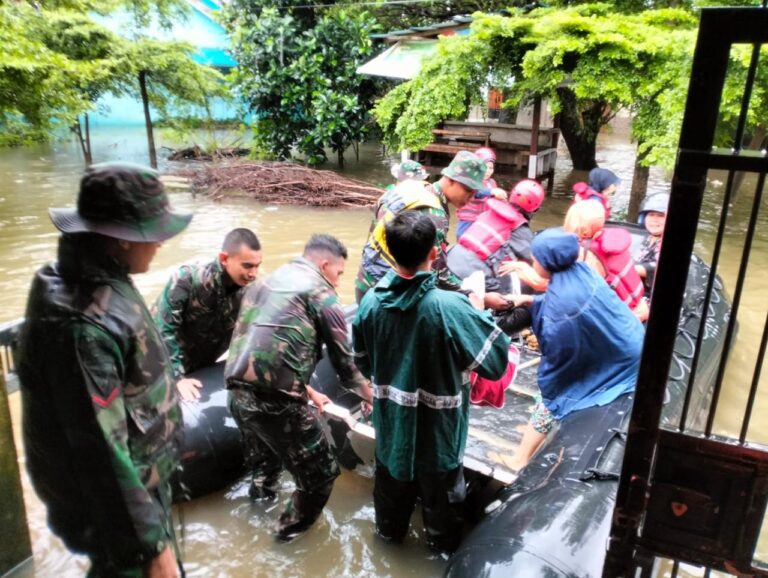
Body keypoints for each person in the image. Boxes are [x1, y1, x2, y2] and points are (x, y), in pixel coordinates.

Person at [16, 162, 192, 577]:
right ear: (121, 240)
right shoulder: (82, 328)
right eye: (154, 234)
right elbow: (98, 452)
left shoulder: (99, 276)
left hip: (135, 502)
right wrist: (151, 547)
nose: (161, 244)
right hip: (117, 520)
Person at [353, 212, 510, 553]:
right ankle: (440, 552)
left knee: (389, 520)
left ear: (391, 253)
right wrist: (479, 309)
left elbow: (363, 363)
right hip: (438, 439)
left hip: (392, 434)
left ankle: (389, 546)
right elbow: (496, 363)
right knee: (443, 527)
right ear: (435, 253)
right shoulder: (450, 307)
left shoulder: (370, 302)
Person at [225, 234, 372, 541]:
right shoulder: (321, 292)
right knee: (320, 477)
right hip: (277, 404)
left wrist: (308, 390)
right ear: (325, 264)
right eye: (340, 273)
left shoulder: (263, 284)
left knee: (266, 465)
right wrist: (373, 395)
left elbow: (263, 347)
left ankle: (254, 518)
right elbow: (345, 366)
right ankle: (283, 539)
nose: (338, 281)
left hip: (237, 396)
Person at [507, 229, 643, 469]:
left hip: (618, 359)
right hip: (627, 342)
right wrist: (532, 301)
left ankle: (521, 458)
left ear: (548, 262)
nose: (533, 261)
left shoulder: (561, 312)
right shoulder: (581, 271)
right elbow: (567, 302)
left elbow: (558, 363)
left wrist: (549, 390)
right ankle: (539, 430)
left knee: (553, 395)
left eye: (536, 258)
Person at [356, 150, 509, 310]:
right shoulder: (434, 215)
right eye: (468, 191)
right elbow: (439, 275)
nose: (470, 198)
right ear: (450, 181)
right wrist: (475, 295)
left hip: (365, 280)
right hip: (384, 293)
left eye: (475, 193)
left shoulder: (412, 189)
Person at [153, 228, 263, 401]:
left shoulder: (250, 293)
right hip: (161, 364)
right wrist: (177, 377)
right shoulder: (188, 278)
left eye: (257, 266)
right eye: (247, 266)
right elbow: (163, 329)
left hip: (203, 365)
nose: (253, 274)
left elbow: (255, 336)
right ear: (224, 259)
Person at [448, 179, 547, 334]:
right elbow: (539, 265)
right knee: (530, 302)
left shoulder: (489, 212)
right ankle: (491, 331)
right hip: (474, 278)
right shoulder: (521, 230)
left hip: (450, 265)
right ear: (535, 210)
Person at [563, 200, 649, 322]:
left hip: (618, 317)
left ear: (583, 229)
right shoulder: (612, 241)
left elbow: (580, 294)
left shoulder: (586, 253)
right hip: (634, 304)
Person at [455, 147, 507, 239]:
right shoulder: (469, 181)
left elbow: (495, 201)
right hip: (467, 222)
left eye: (491, 168)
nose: (488, 171)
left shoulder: (491, 183)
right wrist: (491, 191)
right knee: (463, 243)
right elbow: (477, 191)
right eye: (484, 167)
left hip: (483, 222)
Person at [635, 193, 669, 294]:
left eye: (660, 215)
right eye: (651, 214)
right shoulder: (649, 238)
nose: (654, 220)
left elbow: (656, 268)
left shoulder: (670, 244)